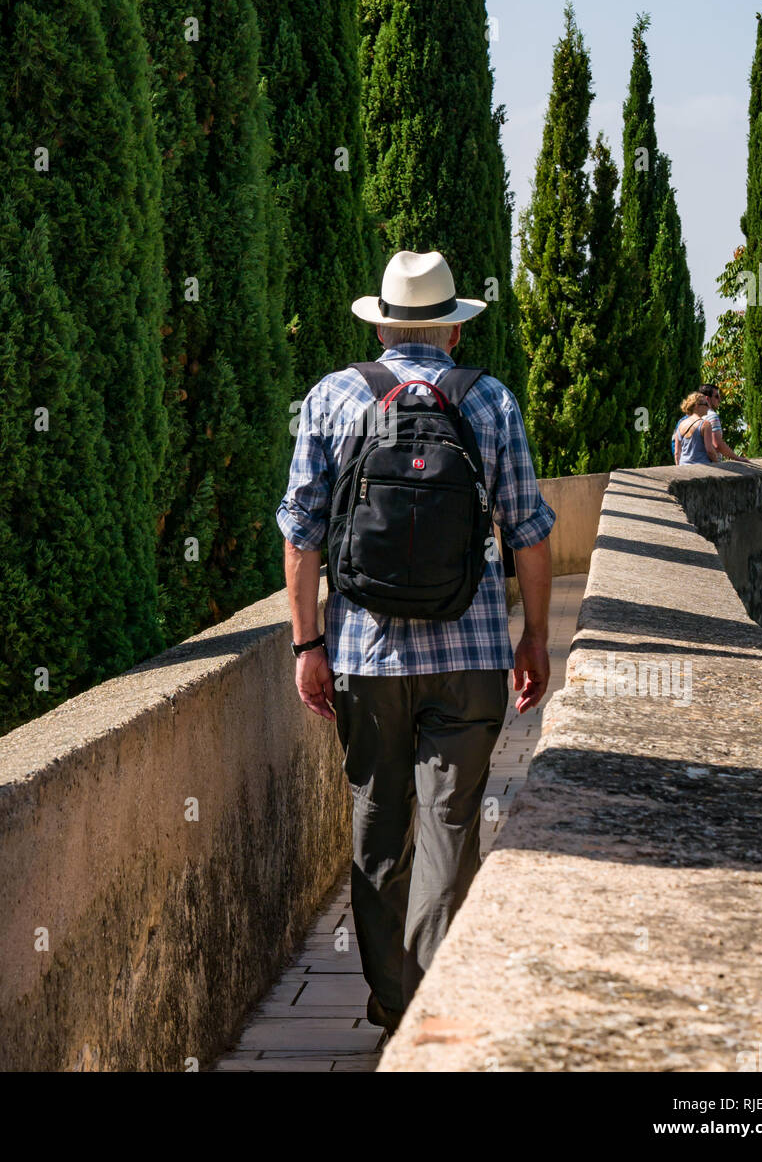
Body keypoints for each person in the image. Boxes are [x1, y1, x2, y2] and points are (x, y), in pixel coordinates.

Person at [277, 249, 555, 1037]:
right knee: (451, 821)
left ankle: (393, 998)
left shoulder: (333, 397)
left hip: (365, 655)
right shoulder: (490, 401)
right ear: (454, 334)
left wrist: (308, 646)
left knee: (377, 823)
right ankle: (433, 1003)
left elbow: (299, 537)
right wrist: (533, 640)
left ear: (380, 325)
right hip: (469, 657)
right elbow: (530, 533)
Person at [697, 383, 748, 463]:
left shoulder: (691, 417)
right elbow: (717, 444)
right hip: (711, 466)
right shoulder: (712, 416)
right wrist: (737, 458)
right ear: (707, 399)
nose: (720, 400)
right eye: (716, 396)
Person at [674, 391, 718, 465]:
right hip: (702, 468)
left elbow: (677, 453)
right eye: (706, 404)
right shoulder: (705, 424)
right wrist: (718, 463)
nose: (709, 407)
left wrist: (679, 468)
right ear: (697, 406)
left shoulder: (681, 425)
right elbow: (710, 450)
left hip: (683, 467)